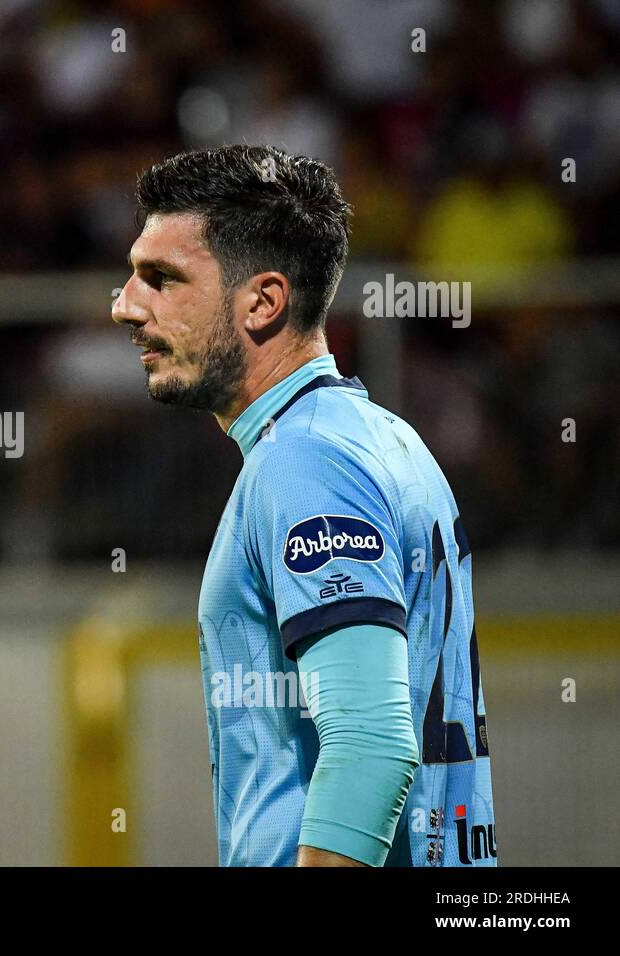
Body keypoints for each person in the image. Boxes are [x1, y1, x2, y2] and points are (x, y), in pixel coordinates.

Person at [112, 145, 495, 867]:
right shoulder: (379, 438)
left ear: (262, 301)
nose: (125, 305)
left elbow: (372, 745)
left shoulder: (305, 462)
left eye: (161, 279)